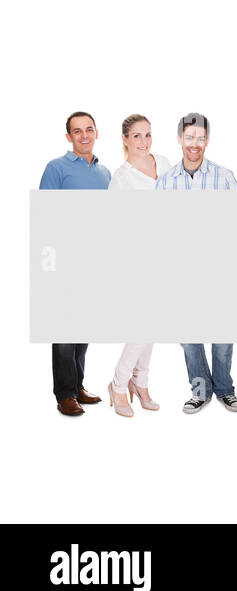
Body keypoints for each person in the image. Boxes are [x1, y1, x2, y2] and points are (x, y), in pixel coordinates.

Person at [156, 112, 237, 413]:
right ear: (180, 139)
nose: (195, 143)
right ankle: (200, 390)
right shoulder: (166, 183)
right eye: (189, 137)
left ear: (208, 140)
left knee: (222, 336)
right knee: (189, 339)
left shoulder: (224, 177)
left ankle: (225, 389)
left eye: (200, 137)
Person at [40, 111, 110, 417]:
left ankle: (79, 386)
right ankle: (64, 394)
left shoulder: (106, 172)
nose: (84, 135)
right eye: (77, 131)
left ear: (96, 133)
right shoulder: (56, 168)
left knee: (83, 331)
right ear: (69, 137)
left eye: (89, 130)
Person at [106, 114, 169, 417]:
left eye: (148, 135)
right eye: (137, 136)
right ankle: (119, 386)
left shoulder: (166, 162)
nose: (144, 142)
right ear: (125, 139)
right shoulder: (122, 177)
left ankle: (140, 383)